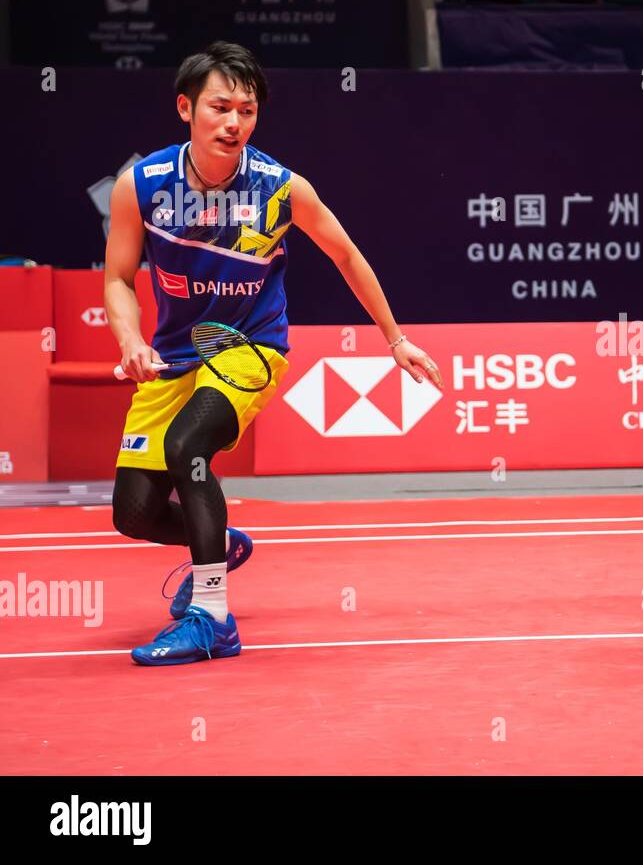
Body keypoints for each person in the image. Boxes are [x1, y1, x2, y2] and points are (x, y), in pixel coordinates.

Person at [105, 41, 441, 666]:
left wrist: (394, 339)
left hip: (247, 347)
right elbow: (119, 277)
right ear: (186, 108)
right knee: (133, 512)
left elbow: (346, 254)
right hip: (173, 356)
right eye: (220, 107)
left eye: (248, 110)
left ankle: (211, 616)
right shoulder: (142, 185)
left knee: (188, 448)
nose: (234, 123)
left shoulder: (281, 189)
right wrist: (129, 340)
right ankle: (220, 541)